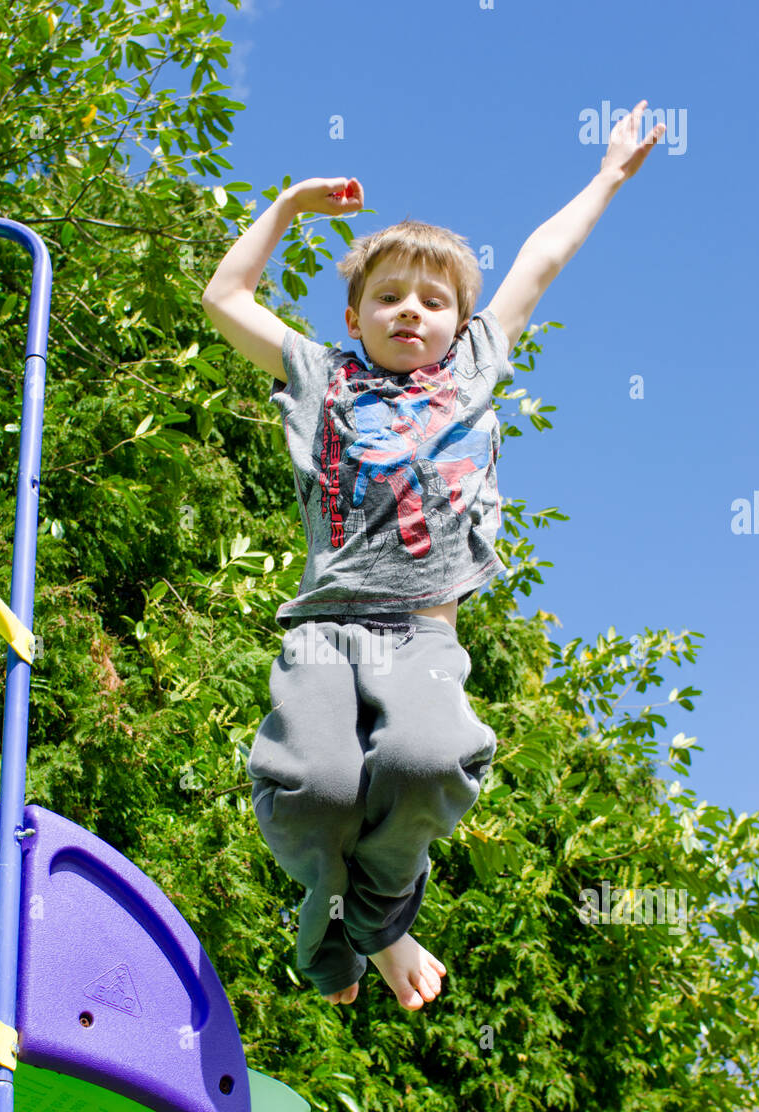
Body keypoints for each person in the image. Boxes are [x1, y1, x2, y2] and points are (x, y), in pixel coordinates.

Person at [201, 100, 664, 1010]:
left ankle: (372, 921)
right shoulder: (320, 375)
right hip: (327, 628)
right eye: (387, 297)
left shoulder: (475, 364)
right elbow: (224, 299)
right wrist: (289, 207)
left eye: (432, 300)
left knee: (426, 760)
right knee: (313, 787)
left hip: (420, 629)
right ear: (354, 314)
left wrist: (607, 176)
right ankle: (336, 906)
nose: (409, 310)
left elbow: (539, 258)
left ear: (458, 320)